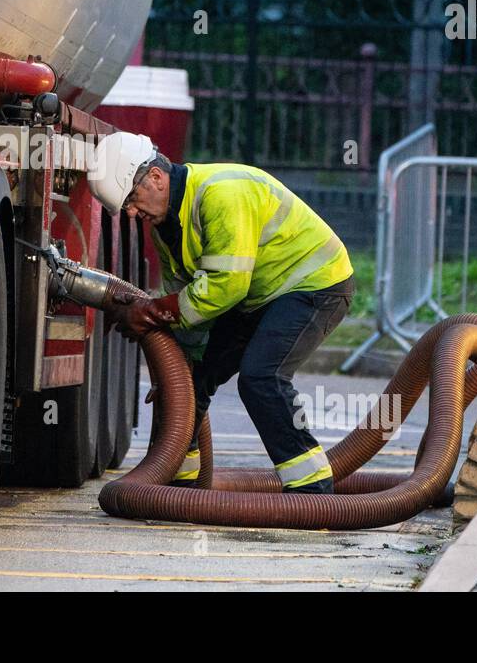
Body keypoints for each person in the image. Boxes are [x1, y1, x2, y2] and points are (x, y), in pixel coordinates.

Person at [89, 131, 354, 493]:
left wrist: (152, 313)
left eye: (132, 199)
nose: (133, 213)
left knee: (262, 377)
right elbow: (185, 300)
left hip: (314, 285)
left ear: (155, 176)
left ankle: (312, 489)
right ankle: (181, 483)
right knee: (191, 381)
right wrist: (174, 366)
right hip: (257, 296)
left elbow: (226, 284)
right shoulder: (166, 227)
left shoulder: (220, 193)